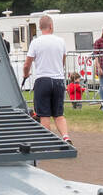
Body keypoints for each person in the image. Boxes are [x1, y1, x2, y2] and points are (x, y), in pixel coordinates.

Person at [22, 14, 71, 144]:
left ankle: (47, 141)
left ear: (40, 27)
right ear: (51, 26)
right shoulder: (60, 41)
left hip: (43, 80)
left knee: (44, 115)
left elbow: (27, 64)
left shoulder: (36, 42)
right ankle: (66, 137)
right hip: (58, 79)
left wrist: (25, 74)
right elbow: (62, 62)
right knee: (59, 114)